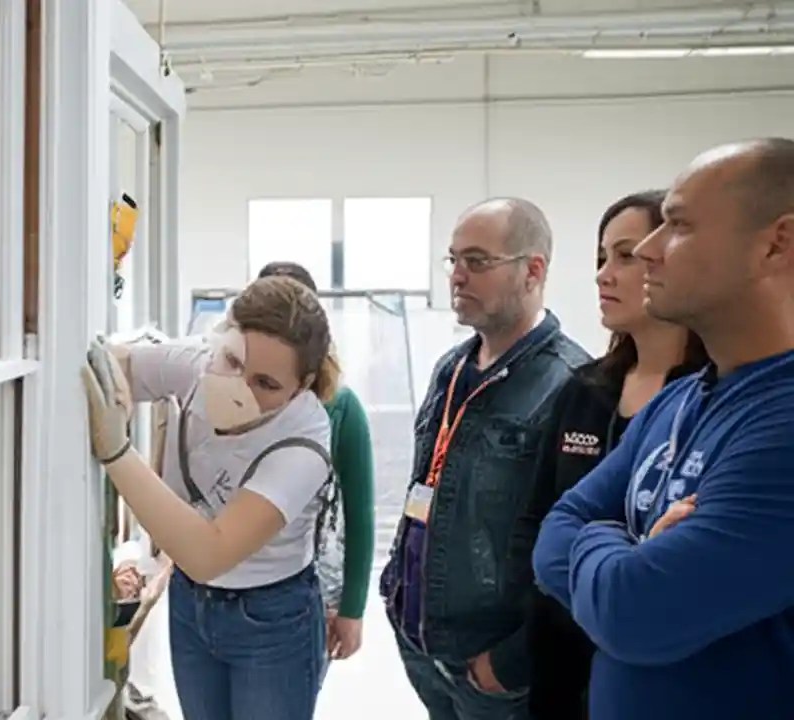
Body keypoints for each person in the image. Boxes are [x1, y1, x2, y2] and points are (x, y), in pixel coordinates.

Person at [532, 138, 794, 720]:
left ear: (777, 244)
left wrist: (612, 548)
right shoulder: (679, 400)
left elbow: (635, 614)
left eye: (677, 225)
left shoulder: (782, 420)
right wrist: (633, 556)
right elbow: (552, 534)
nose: (650, 251)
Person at [82, 275, 339, 720]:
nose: (241, 389)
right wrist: (115, 393)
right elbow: (112, 364)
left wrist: (117, 453)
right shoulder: (199, 364)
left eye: (266, 383)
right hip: (191, 603)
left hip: (270, 618)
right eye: (233, 363)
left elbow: (210, 551)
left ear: (303, 384)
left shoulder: (304, 441)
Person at [378, 198, 589, 720]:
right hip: (424, 640)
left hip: (493, 667)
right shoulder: (451, 367)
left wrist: (513, 661)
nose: (458, 276)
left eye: (477, 261)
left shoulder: (573, 386)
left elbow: (573, 550)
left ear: (532, 270)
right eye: (453, 260)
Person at [521, 190, 708, 719]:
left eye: (625, 256)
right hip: (560, 658)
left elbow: (678, 568)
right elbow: (540, 523)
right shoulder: (584, 388)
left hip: (654, 669)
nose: (604, 274)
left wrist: (595, 550)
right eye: (602, 258)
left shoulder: (708, 397)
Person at [255, 261, 374, 672]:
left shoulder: (340, 406)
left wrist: (352, 608)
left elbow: (360, 514)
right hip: (232, 585)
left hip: (313, 589)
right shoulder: (230, 397)